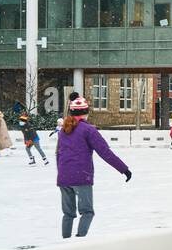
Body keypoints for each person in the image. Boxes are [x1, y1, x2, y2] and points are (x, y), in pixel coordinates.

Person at [55, 98, 131, 238]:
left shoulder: (63, 130)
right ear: (86, 113)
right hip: (81, 176)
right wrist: (124, 169)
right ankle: (79, 242)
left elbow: (58, 154)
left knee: (68, 213)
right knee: (87, 212)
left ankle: (64, 245)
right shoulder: (88, 130)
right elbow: (105, 152)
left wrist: (62, 173)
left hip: (64, 177)